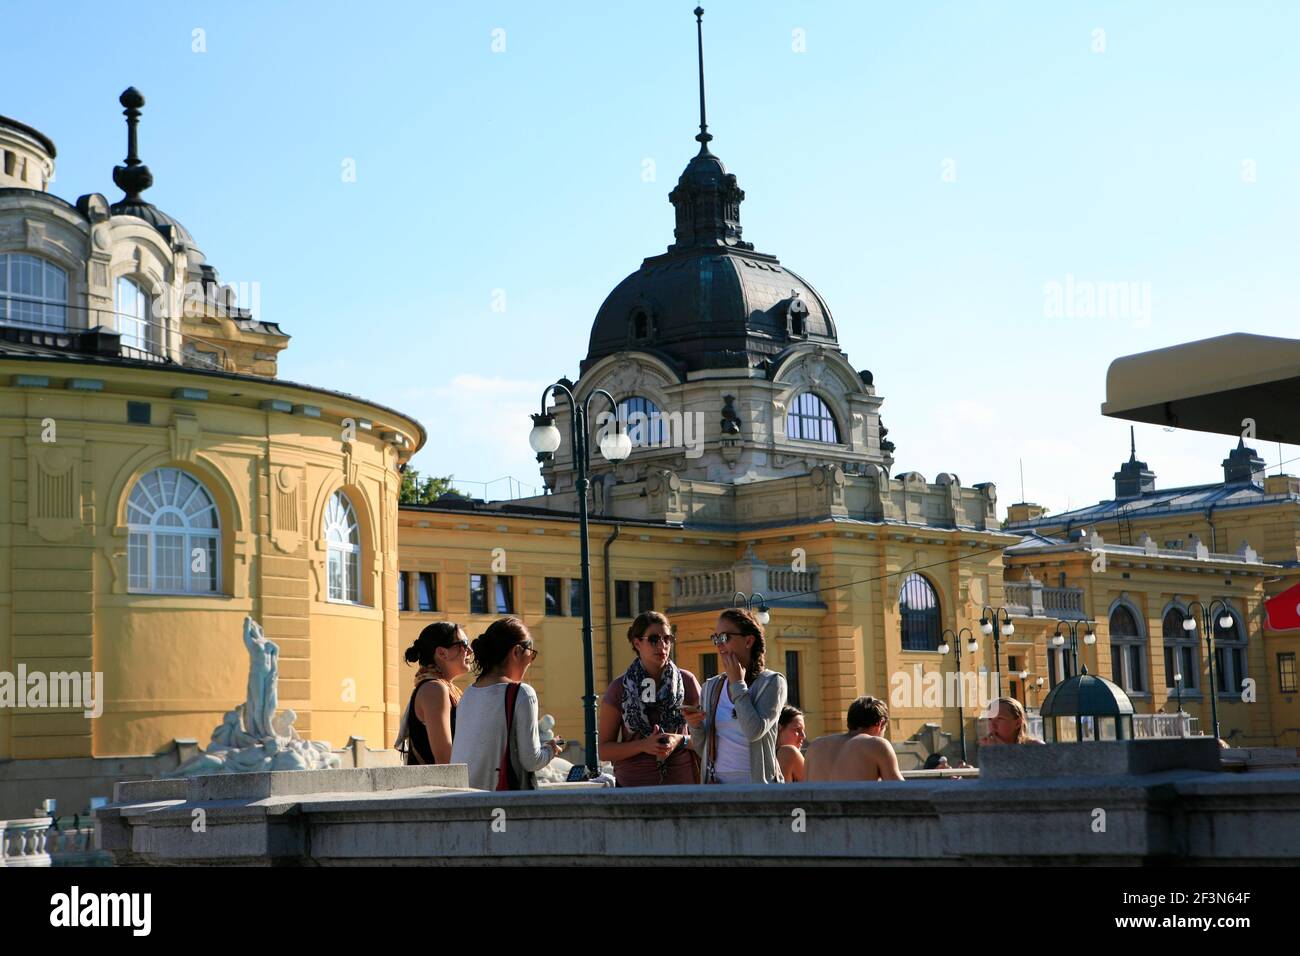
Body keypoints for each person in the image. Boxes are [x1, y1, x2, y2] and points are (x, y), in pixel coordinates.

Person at [450, 618, 563, 790]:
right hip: (499, 802)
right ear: (517, 651)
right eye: (531, 652)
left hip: (464, 798)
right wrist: (551, 749)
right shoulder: (522, 693)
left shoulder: (468, 694)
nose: (531, 660)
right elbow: (531, 760)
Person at [683, 607, 787, 784]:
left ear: (748, 641)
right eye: (715, 638)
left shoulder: (772, 683)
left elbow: (754, 731)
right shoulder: (710, 687)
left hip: (759, 792)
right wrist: (695, 726)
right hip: (716, 789)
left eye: (725, 637)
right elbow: (703, 749)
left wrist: (737, 684)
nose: (719, 644)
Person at [599, 611, 702, 786]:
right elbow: (603, 751)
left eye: (667, 639)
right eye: (654, 639)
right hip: (634, 789)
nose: (662, 645)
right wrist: (644, 745)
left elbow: (709, 740)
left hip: (682, 786)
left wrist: (679, 740)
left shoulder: (687, 682)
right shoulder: (619, 688)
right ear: (637, 643)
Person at [395, 621, 472, 765]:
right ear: (442, 652)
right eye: (464, 644)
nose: (470, 651)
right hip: (441, 786)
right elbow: (444, 762)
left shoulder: (441, 687)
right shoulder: (435, 689)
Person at [804, 696, 904, 782]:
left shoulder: (815, 746)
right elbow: (902, 792)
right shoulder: (876, 745)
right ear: (880, 724)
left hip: (819, 804)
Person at [978, 697, 1044, 746]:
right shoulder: (986, 747)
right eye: (990, 719)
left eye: (999, 719)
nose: (993, 725)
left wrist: (1001, 750)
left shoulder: (1036, 747)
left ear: (1018, 723)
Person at [776, 706, 807, 783]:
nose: (803, 736)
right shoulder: (789, 752)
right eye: (797, 730)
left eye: (803, 730)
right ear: (779, 728)